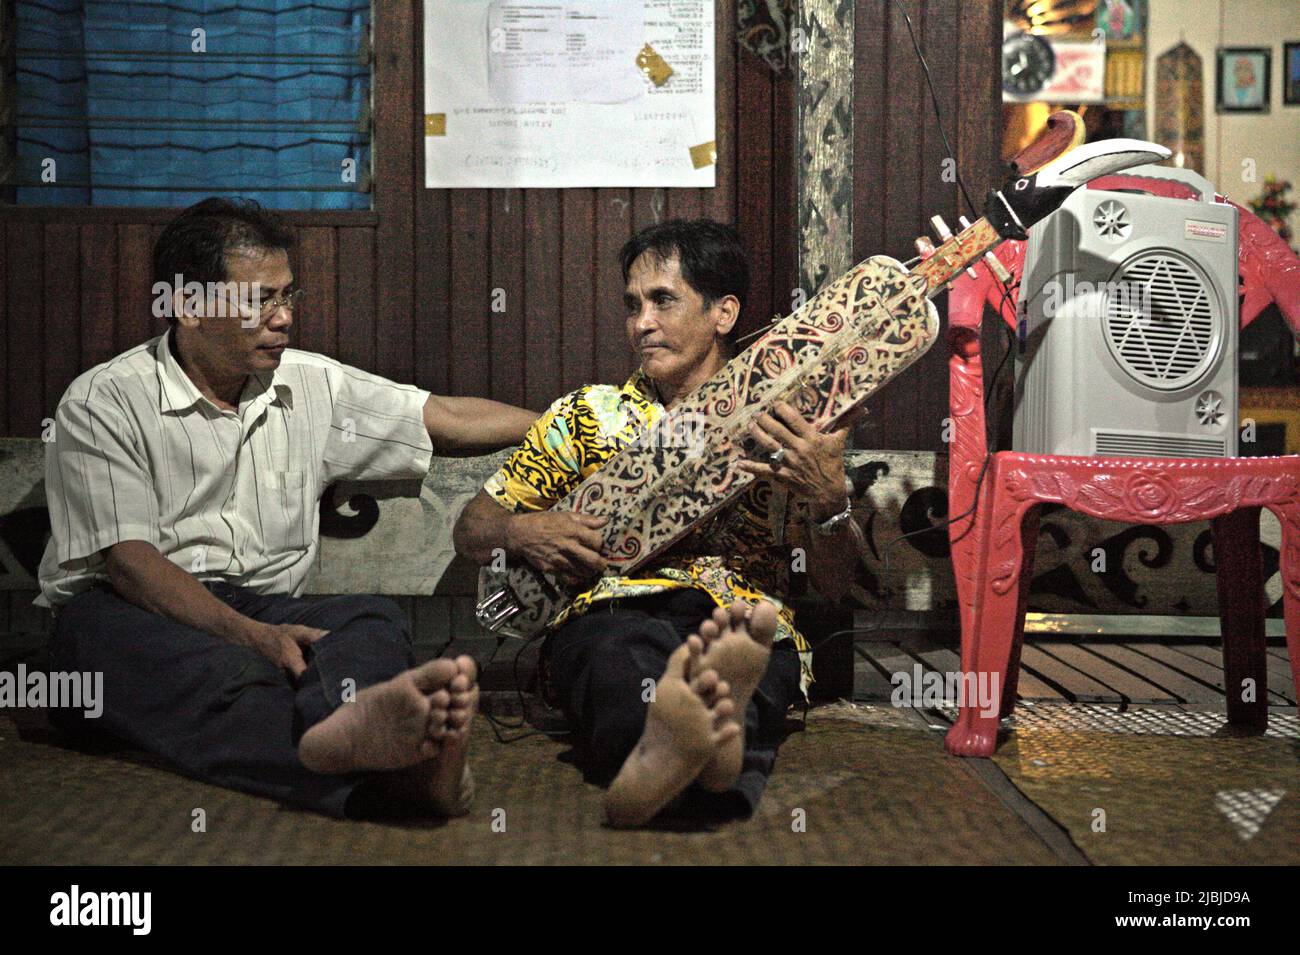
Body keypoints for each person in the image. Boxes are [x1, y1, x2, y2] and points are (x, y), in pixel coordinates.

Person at [38, 197, 538, 818]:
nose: (283, 320)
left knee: (370, 622)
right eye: (260, 302)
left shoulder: (310, 384)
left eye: (288, 297)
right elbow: (131, 564)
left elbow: (448, 418)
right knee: (147, 655)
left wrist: (574, 428)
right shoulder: (104, 401)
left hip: (267, 607)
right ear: (187, 306)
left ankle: (352, 737)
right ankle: (387, 766)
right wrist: (254, 637)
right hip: (140, 614)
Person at [454, 219, 858, 827]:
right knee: (620, 655)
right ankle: (711, 759)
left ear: (723, 313)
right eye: (632, 305)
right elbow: (471, 528)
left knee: (748, 654)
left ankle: (677, 756)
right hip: (612, 609)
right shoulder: (586, 417)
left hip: (739, 615)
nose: (641, 322)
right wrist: (520, 532)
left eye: (662, 300)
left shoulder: (786, 426)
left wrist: (830, 500)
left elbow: (834, 583)